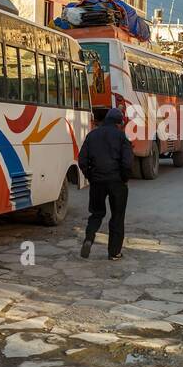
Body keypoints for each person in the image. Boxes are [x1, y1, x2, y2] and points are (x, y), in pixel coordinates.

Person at [78, 107, 133, 260]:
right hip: (117, 182)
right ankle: (114, 253)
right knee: (117, 216)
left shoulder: (92, 135)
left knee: (96, 213)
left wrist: (90, 176)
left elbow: (82, 160)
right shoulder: (122, 138)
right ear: (118, 123)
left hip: (97, 181)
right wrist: (124, 178)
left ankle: (89, 238)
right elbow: (127, 163)